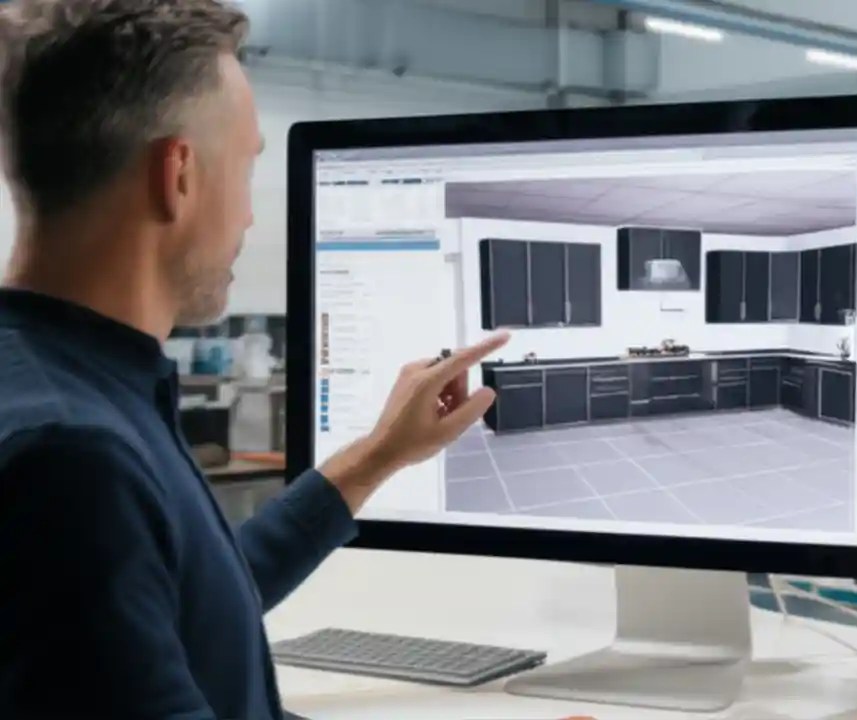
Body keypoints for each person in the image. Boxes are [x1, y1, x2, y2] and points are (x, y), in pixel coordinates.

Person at [0, 1, 530, 718]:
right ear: (178, 176)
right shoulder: (71, 462)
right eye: (247, 166)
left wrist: (377, 455)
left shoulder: (63, 387)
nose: (251, 214)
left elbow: (192, 604)